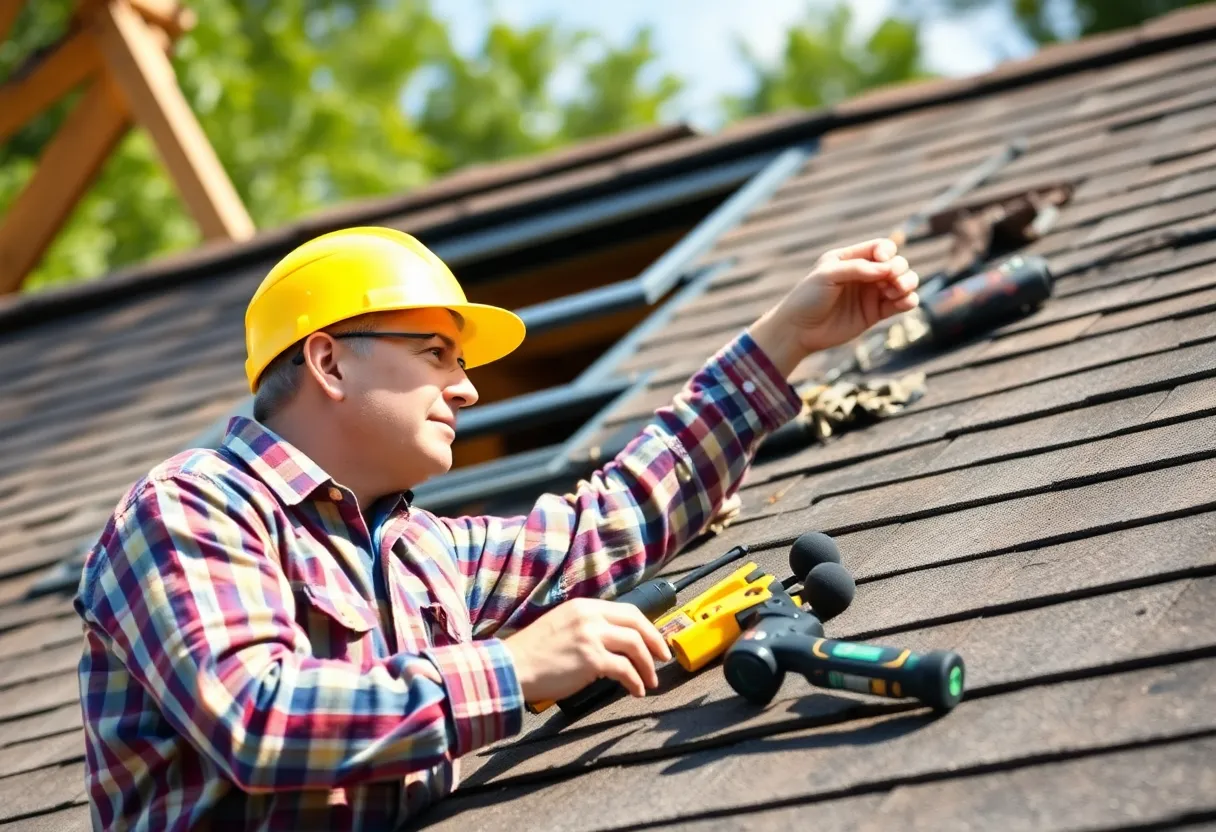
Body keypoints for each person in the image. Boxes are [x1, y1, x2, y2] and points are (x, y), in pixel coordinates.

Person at [74, 226, 919, 830]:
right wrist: (513, 666)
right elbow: (259, 718)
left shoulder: (418, 552)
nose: (469, 388)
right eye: (438, 355)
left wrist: (784, 340)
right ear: (329, 361)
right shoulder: (188, 508)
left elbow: (610, 521)